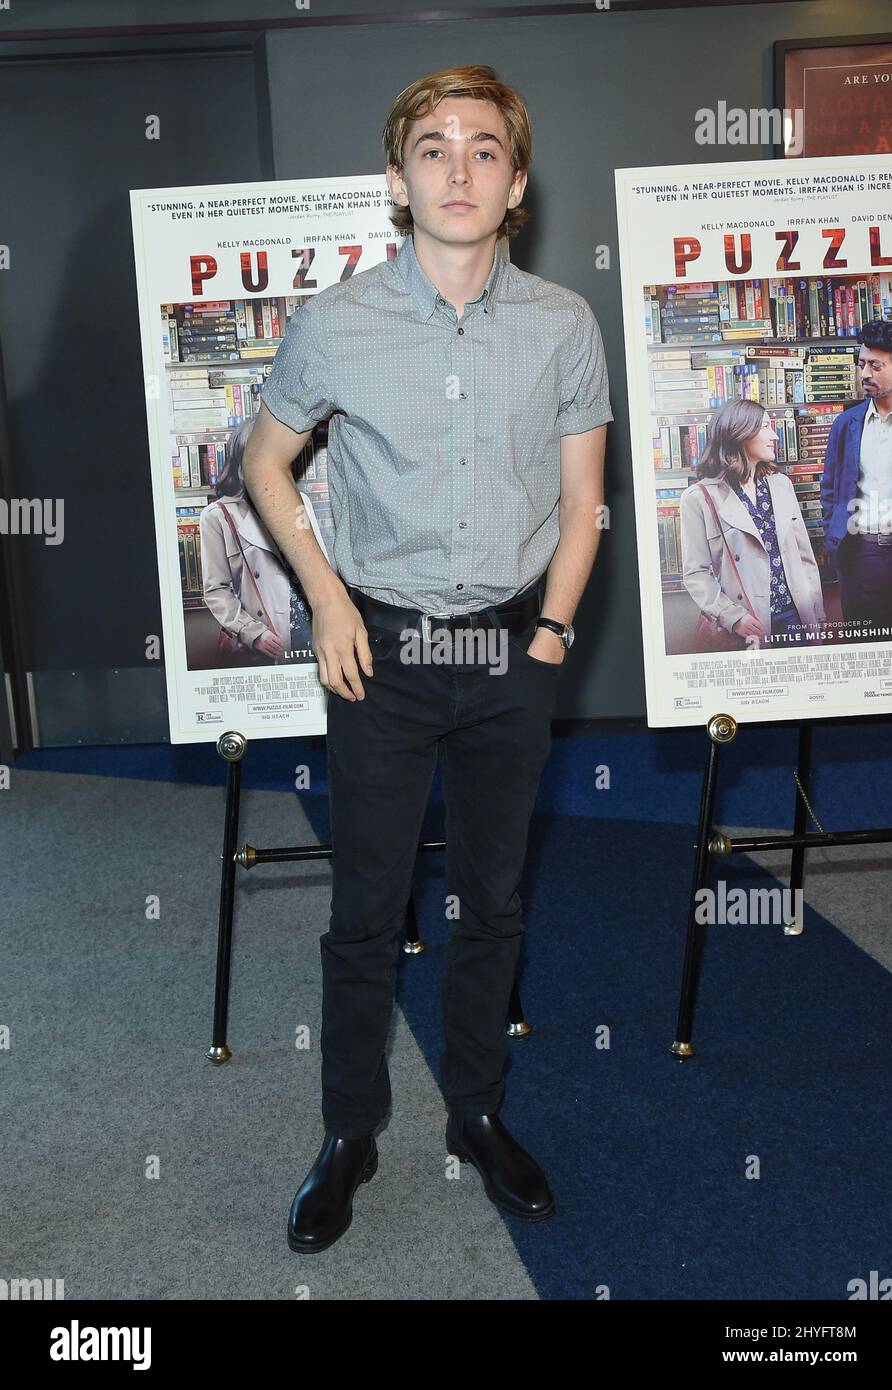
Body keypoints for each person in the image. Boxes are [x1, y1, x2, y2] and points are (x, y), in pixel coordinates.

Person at [243, 64, 612, 1253]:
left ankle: (478, 1112)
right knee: (365, 909)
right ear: (396, 180)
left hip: (509, 645)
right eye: (435, 149)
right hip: (382, 651)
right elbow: (263, 463)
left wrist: (550, 633)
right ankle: (350, 1129)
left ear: (517, 184)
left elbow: (584, 499)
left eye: (486, 150)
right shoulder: (336, 322)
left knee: (495, 902)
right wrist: (325, 596)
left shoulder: (563, 321)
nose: (461, 169)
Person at [679, 398, 825, 650]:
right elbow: (696, 573)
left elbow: (805, 559)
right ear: (740, 433)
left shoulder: (782, 485)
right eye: (766, 427)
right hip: (749, 622)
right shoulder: (699, 498)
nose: (775, 436)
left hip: (797, 617)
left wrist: (818, 615)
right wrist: (733, 617)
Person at [198, 416, 320, 667]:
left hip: (312, 630)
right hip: (269, 640)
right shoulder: (217, 517)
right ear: (242, 462)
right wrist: (253, 633)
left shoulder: (301, 502)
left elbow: (321, 569)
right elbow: (217, 591)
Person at [819, 320, 892, 638]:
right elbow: (830, 487)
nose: (865, 373)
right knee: (866, 646)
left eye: (875, 365)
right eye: (861, 363)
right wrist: (834, 535)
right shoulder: (846, 424)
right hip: (859, 556)